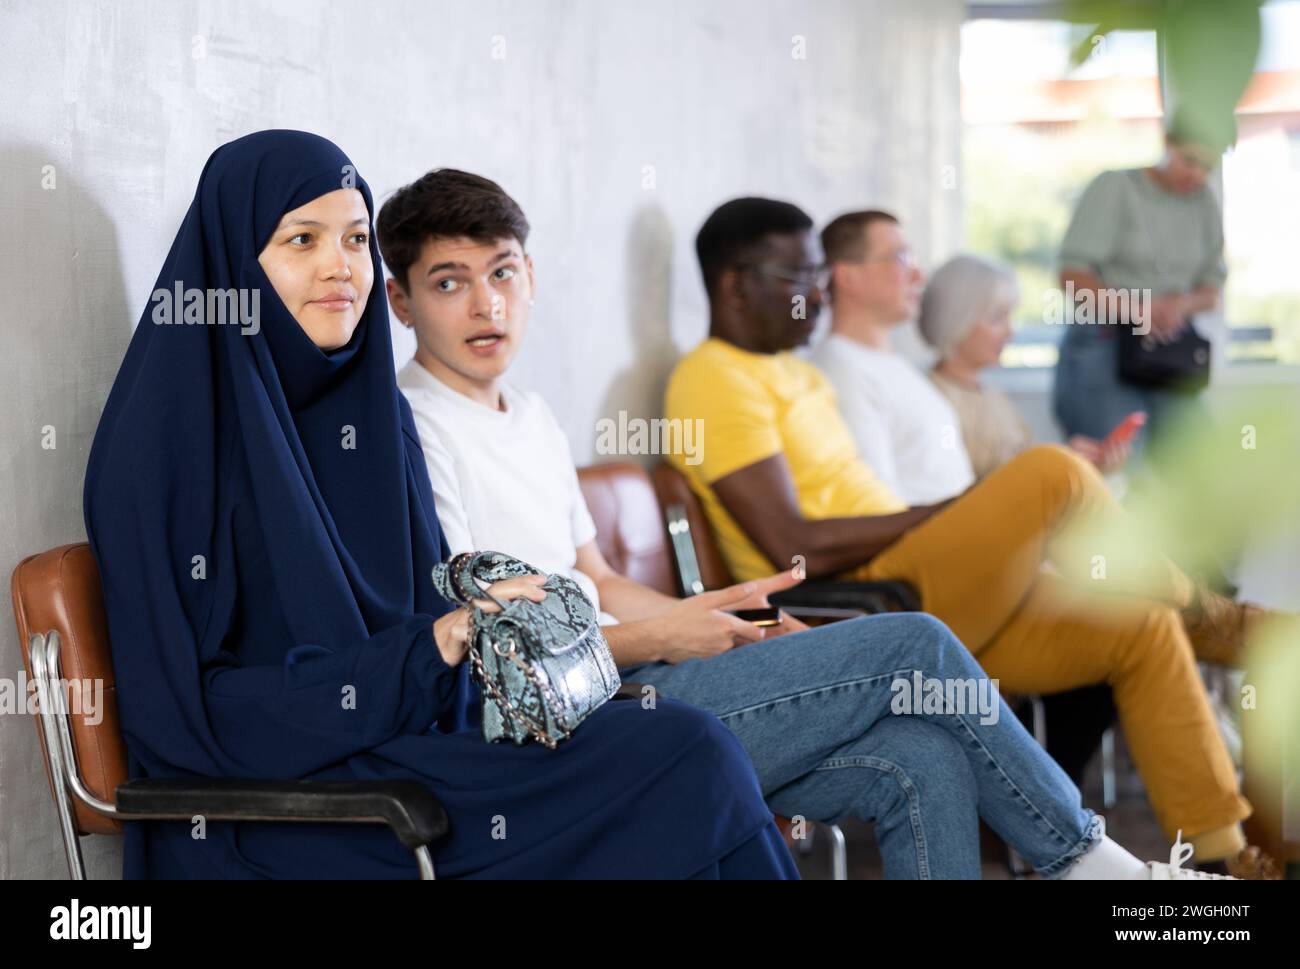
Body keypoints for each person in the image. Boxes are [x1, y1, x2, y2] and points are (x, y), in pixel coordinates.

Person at [378, 167, 1228, 879]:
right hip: (569, 724)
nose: (485, 304)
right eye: (449, 282)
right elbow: (487, 641)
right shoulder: (410, 430)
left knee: (918, 759)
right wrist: (675, 632)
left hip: (635, 679)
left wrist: (734, 616)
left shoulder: (529, 415)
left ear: (530, 279)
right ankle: (1086, 862)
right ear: (402, 302)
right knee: (916, 642)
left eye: (502, 273)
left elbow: (594, 581)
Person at [82, 130, 797, 880]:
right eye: (302, 239)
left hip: (409, 748)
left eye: (355, 239)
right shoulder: (161, 447)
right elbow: (192, 718)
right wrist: (430, 648)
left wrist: (470, 639)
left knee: (681, 748)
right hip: (285, 807)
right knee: (682, 758)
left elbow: (423, 628)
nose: (340, 266)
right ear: (234, 266)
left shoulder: (372, 422)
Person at [662, 195, 1283, 877]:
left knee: (1140, 626)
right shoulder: (713, 378)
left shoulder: (797, 371)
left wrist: (961, 512)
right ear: (733, 283)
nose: (817, 292)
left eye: (818, 274)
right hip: (861, 596)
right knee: (1052, 472)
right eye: (799, 278)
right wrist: (956, 508)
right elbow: (790, 542)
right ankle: (1225, 623)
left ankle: (1227, 861)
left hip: (911, 574)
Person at [1052, 109, 1229, 465]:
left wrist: (1178, 307)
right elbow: (1072, 277)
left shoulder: (1204, 203)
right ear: (1168, 143)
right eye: (1189, 160)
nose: (1197, 174)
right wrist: (1140, 311)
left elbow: (1211, 289)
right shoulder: (1115, 188)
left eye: (1207, 166)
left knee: (1198, 469)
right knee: (1117, 468)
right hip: (1105, 344)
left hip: (1169, 350)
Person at [921, 253, 1131, 481]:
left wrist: (1071, 461)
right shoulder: (934, 400)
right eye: (997, 318)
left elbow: (1021, 470)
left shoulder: (992, 394)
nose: (1010, 332)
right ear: (957, 320)